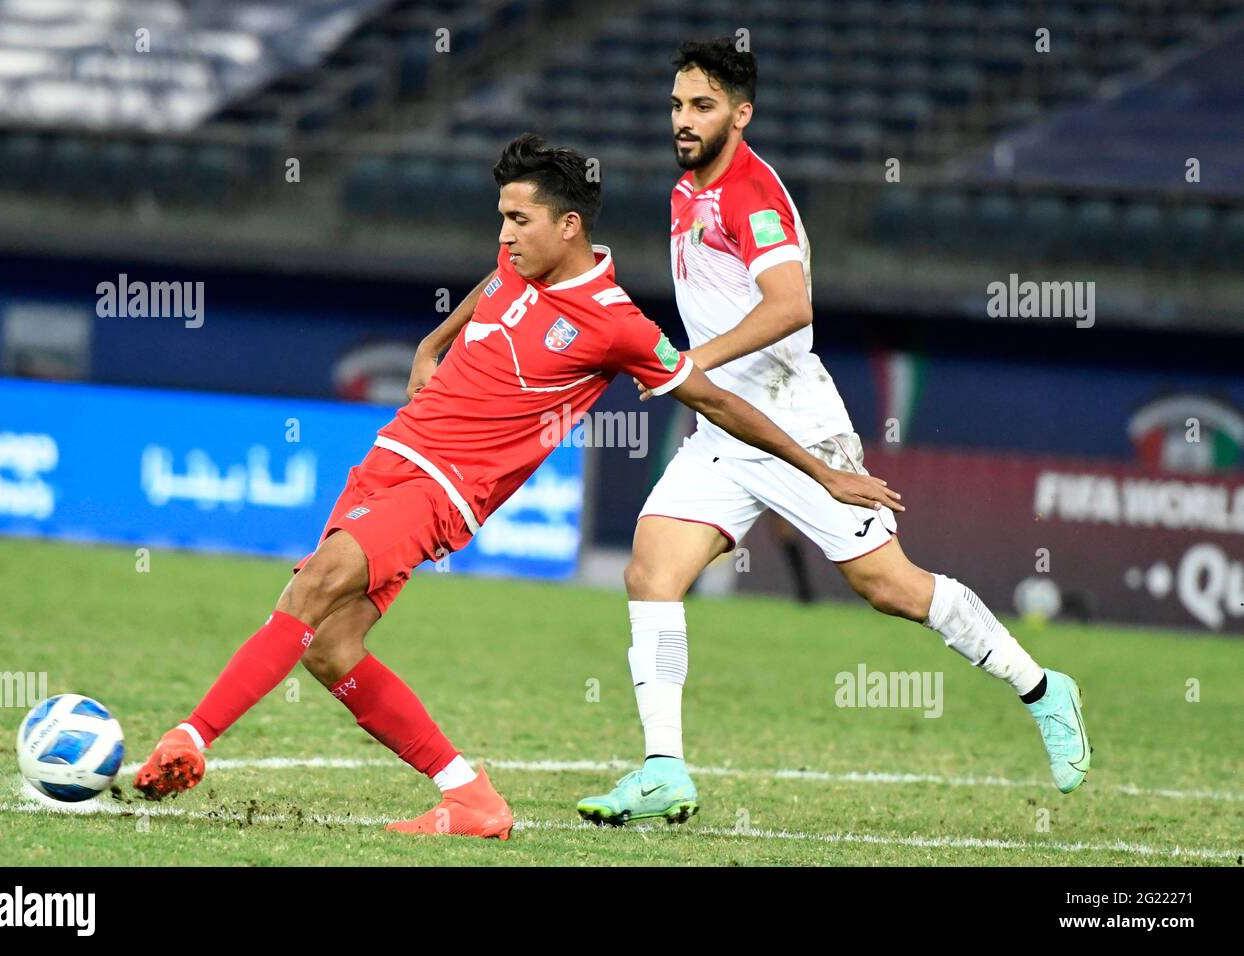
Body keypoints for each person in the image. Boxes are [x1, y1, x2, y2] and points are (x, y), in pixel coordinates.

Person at [133, 132, 902, 840]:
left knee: (312, 588)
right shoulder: (516, 264)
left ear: (568, 226)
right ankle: (469, 796)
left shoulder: (616, 324)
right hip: (388, 459)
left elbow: (719, 400)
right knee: (330, 648)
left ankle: (190, 739)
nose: (504, 236)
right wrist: (432, 345)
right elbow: (487, 287)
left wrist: (824, 469)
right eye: (501, 218)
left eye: (517, 219)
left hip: (442, 490)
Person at [575, 39, 1090, 827]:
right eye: (677, 104)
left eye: (702, 106)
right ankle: (664, 768)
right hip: (723, 422)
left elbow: (791, 307)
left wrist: (687, 363)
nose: (683, 120)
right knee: (651, 573)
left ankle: (1043, 687)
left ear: (740, 115)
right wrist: (696, 378)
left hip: (789, 413)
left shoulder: (751, 194)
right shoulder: (686, 191)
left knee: (889, 587)